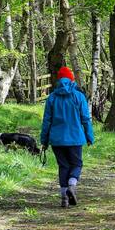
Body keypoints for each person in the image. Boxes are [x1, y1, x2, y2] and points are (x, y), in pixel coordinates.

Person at [40, 66, 94, 207]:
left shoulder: (51, 98)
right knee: (76, 164)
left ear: (59, 80)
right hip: (75, 138)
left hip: (57, 140)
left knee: (63, 166)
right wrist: (89, 137)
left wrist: (44, 141)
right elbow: (85, 119)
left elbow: (47, 121)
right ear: (71, 79)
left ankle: (64, 198)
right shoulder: (79, 96)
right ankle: (72, 185)